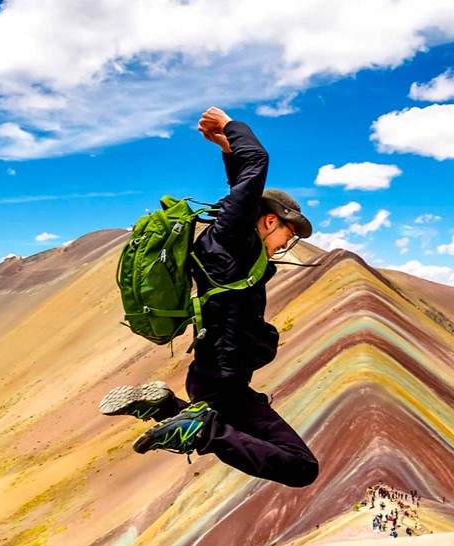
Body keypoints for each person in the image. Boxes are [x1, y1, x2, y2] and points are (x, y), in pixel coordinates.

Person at [99, 106, 319, 489]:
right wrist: (231, 127)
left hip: (213, 377)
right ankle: (196, 429)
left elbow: (242, 187)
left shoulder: (229, 243)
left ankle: (165, 408)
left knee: (233, 428)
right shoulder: (233, 238)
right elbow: (257, 164)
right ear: (270, 221)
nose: (288, 243)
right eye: (289, 232)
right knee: (302, 468)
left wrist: (225, 149)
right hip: (223, 379)